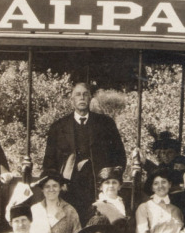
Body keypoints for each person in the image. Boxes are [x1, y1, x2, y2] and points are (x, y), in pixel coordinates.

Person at [41, 80, 127, 214]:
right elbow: (49, 161)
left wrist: (111, 181)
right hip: (69, 187)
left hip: (98, 187)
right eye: (78, 94)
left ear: (90, 98)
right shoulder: (58, 127)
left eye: (85, 94)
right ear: (72, 98)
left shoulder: (106, 124)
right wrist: (57, 183)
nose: (81, 97)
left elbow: (119, 156)